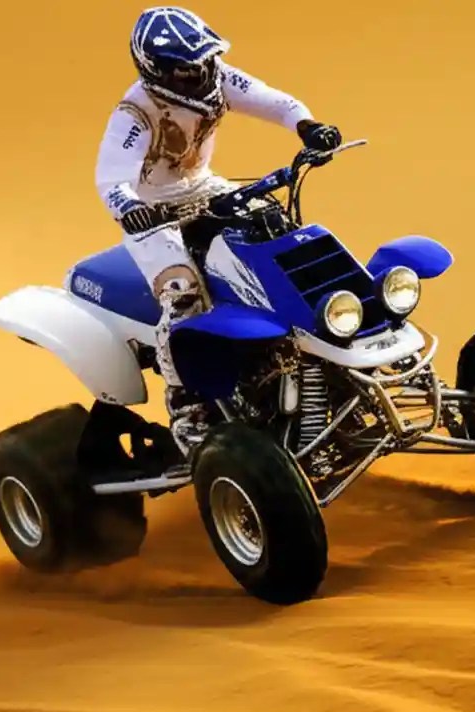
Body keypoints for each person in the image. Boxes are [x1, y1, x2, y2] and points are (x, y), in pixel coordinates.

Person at [94, 6, 342, 455]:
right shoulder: (135, 113)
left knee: (279, 239)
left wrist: (308, 126)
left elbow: (274, 101)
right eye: (189, 70)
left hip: (206, 188)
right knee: (182, 294)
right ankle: (188, 408)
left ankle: (320, 349)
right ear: (159, 72)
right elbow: (111, 179)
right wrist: (130, 208)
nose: (202, 74)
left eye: (205, 61)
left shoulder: (218, 77)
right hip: (152, 212)